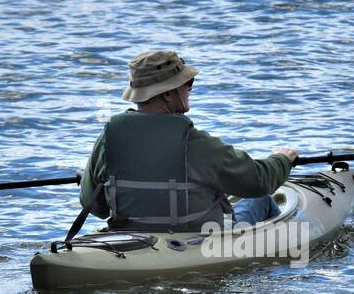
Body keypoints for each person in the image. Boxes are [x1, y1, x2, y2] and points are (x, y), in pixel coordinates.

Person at [78, 50, 298, 232]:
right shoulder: (193, 142)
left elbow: (94, 205)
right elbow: (258, 181)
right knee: (259, 198)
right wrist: (282, 159)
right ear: (167, 94)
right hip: (195, 242)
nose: (189, 88)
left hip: (132, 241)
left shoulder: (109, 139)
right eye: (187, 82)